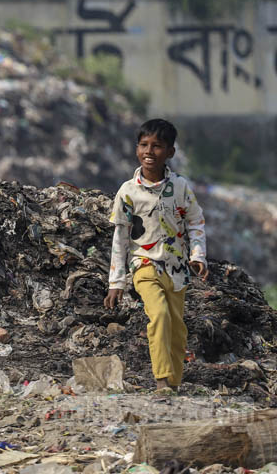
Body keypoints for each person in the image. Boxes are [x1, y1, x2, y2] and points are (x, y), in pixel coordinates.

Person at [104, 119, 207, 393]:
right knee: (159, 315)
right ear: (137, 148)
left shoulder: (181, 187)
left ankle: (173, 384)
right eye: (143, 145)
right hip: (144, 265)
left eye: (157, 146)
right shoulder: (128, 192)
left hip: (177, 270)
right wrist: (116, 282)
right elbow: (120, 239)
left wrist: (198, 256)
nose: (149, 152)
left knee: (177, 330)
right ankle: (161, 380)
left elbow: (196, 223)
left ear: (170, 152)